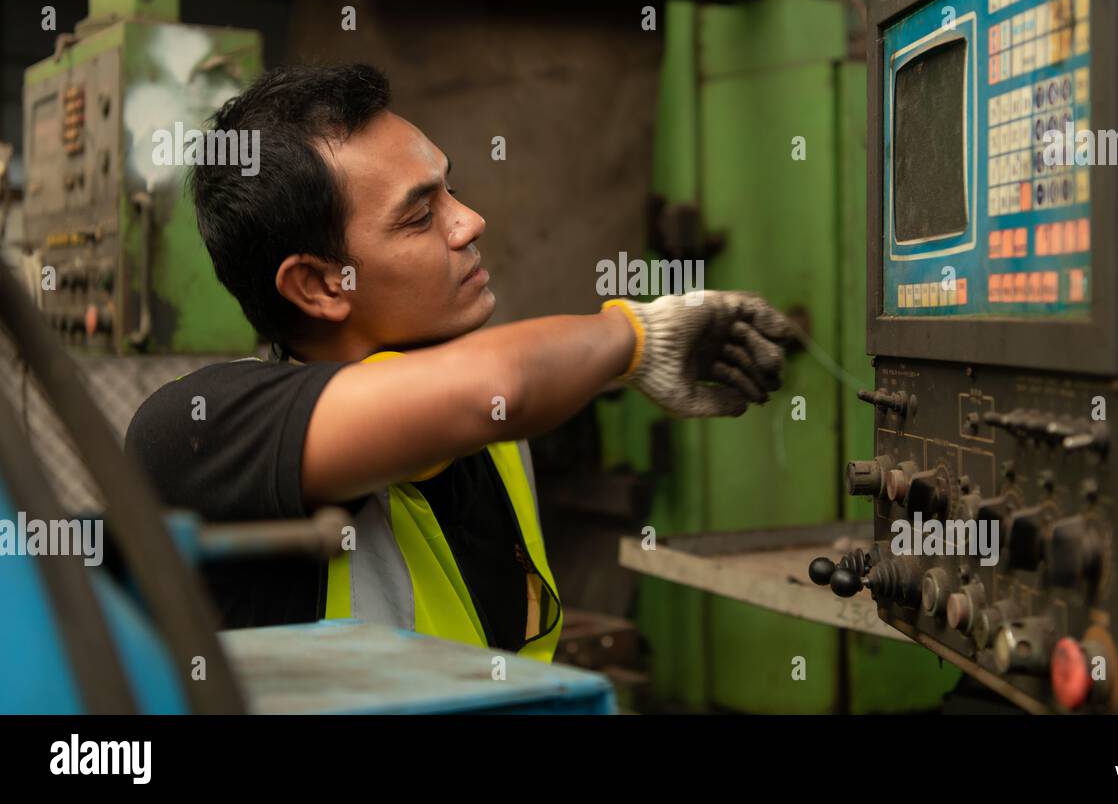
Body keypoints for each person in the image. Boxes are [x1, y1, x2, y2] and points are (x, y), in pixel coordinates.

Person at [125, 63, 792, 662]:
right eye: (419, 218)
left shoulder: (488, 426)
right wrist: (638, 339)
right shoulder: (199, 434)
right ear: (321, 286)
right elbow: (490, 386)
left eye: (451, 190)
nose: (470, 221)